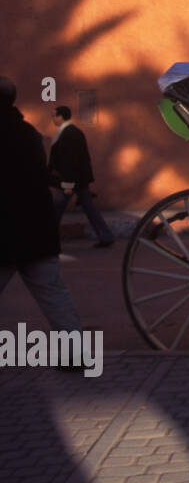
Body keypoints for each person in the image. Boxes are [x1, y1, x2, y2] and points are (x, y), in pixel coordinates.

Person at [0, 77, 84, 334]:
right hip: (38, 229)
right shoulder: (30, 134)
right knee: (54, 295)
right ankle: (75, 352)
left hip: (5, 233)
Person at [49, 104, 114, 248]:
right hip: (78, 180)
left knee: (57, 209)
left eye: (54, 116)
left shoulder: (68, 134)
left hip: (70, 181)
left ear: (61, 117)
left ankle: (48, 239)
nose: (52, 119)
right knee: (89, 208)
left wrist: (67, 185)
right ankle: (105, 235)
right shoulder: (71, 132)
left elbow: (69, 161)